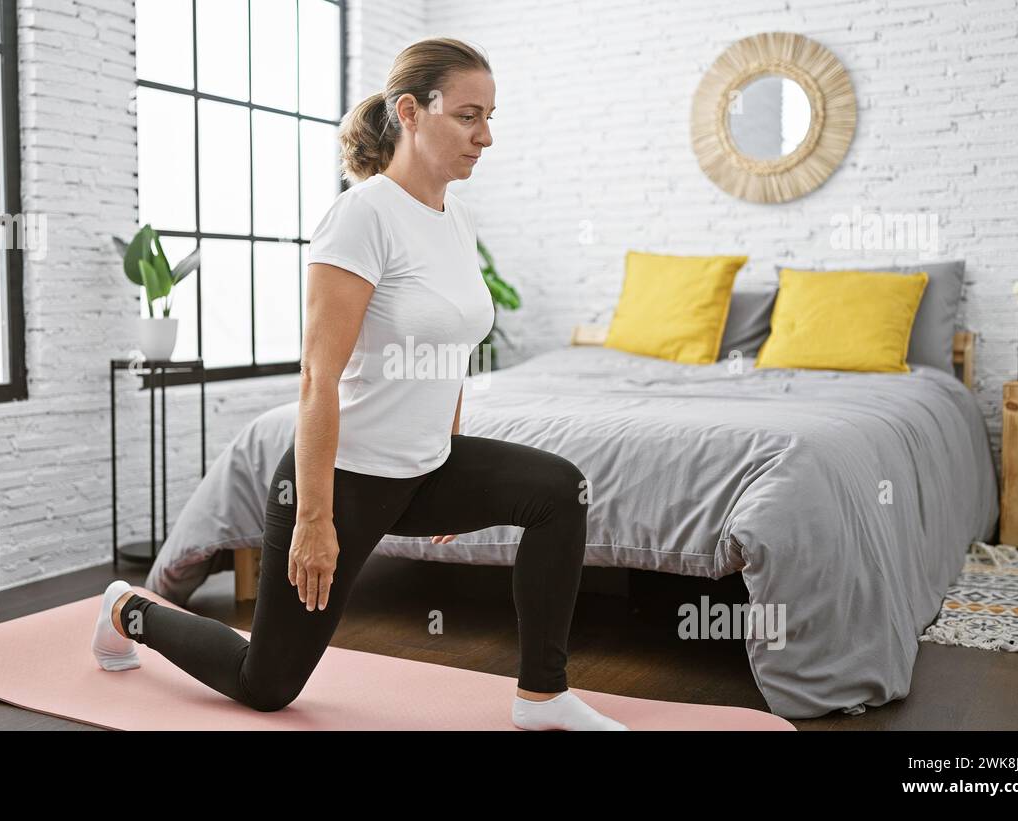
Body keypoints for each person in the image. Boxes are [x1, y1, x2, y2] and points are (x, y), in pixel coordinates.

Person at [91, 37, 627, 731]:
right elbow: (318, 374)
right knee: (268, 683)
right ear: (411, 110)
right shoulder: (362, 216)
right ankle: (127, 610)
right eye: (468, 116)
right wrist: (314, 517)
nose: (485, 136)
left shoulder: (457, 218)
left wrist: (453, 452)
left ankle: (542, 695)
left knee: (561, 490)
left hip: (426, 467)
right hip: (343, 480)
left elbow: (452, 346)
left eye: (489, 116)